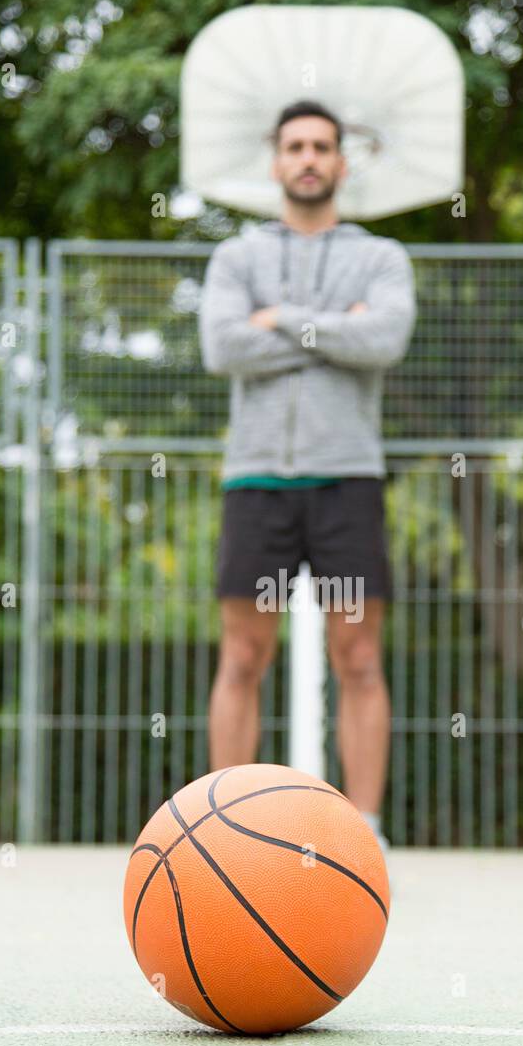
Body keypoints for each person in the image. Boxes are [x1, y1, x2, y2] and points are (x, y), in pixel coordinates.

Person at [199, 99, 416, 851]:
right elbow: (223, 348)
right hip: (256, 482)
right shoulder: (236, 257)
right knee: (243, 656)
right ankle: (224, 831)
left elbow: (384, 338)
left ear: (342, 162)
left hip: (346, 481)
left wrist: (278, 319)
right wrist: (329, 327)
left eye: (322, 146)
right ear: (276, 160)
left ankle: (365, 830)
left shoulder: (382, 257)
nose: (309, 158)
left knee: (357, 656)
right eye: (295, 146)